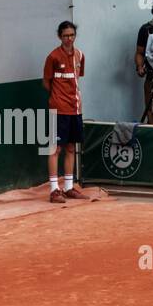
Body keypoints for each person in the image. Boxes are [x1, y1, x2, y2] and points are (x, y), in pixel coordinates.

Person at [40, 21, 87, 203]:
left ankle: (68, 187)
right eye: (66, 35)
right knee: (55, 148)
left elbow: (76, 79)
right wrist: (58, 97)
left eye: (72, 35)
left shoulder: (80, 56)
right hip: (58, 109)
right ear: (60, 36)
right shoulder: (52, 57)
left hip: (75, 109)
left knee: (70, 147)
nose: (69, 38)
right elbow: (46, 82)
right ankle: (54, 190)